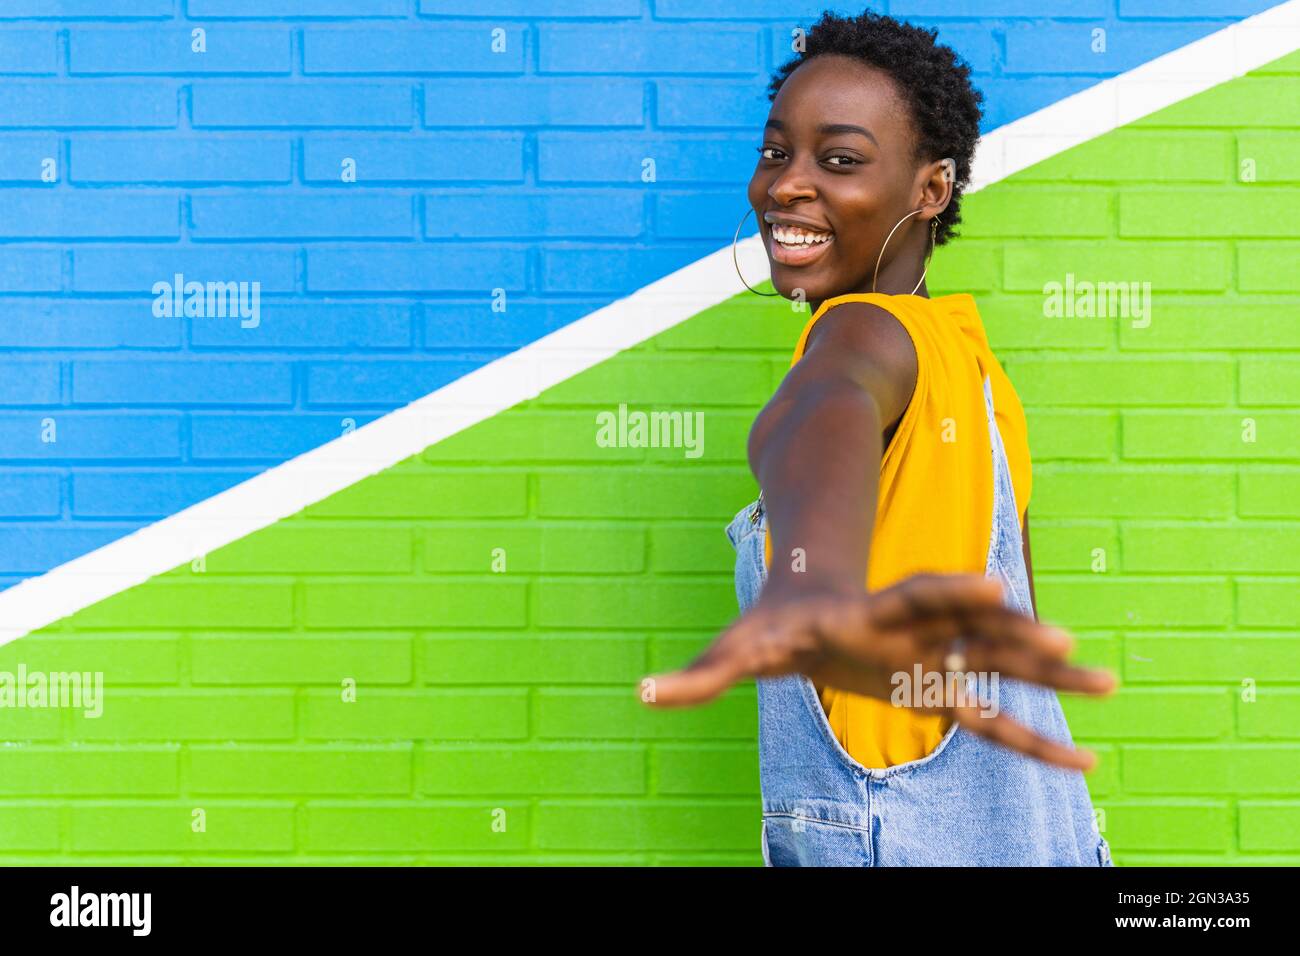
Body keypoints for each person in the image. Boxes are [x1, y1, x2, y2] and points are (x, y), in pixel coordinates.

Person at [642, 10, 1116, 867]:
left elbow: (831, 404)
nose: (786, 185)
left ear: (930, 190)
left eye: (841, 160)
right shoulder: (966, 365)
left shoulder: (859, 334)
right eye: (777, 151)